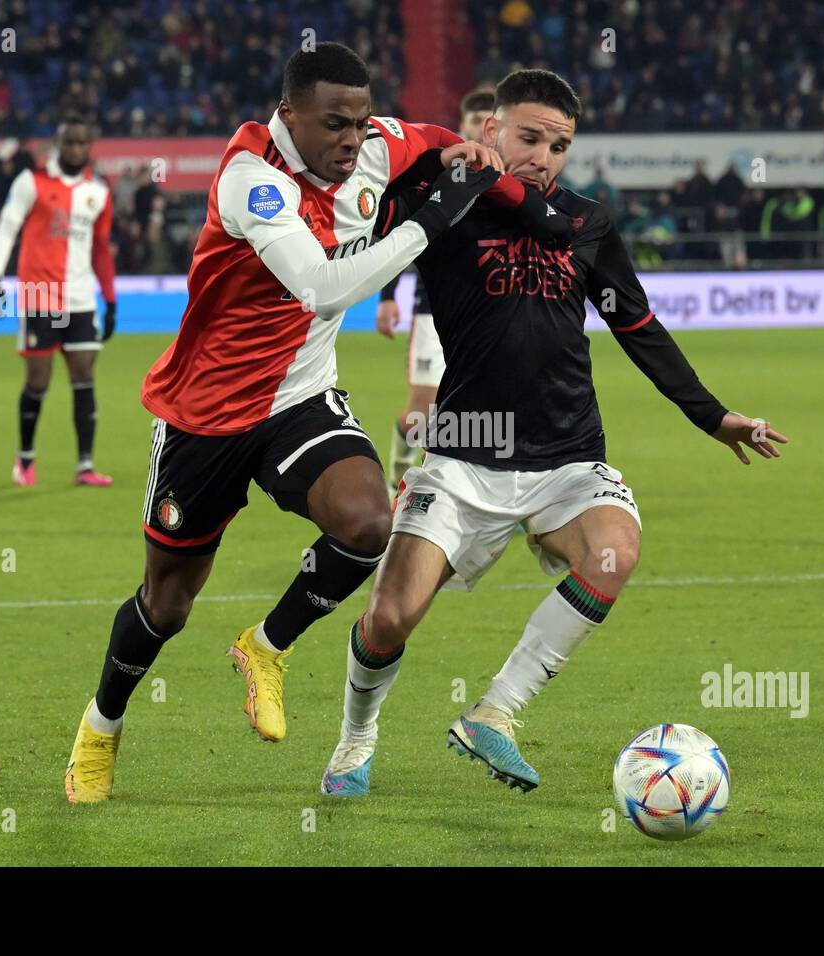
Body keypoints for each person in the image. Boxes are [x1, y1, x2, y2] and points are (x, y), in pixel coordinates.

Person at [62, 43, 571, 803]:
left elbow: (436, 142)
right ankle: (100, 729)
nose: (351, 140)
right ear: (288, 114)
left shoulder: (375, 143)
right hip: (207, 417)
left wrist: (486, 168)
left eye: (361, 122)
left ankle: (265, 647)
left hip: (300, 401)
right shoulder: (250, 180)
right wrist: (432, 219)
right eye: (334, 124)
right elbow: (324, 289)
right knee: (166, 604)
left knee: (371, 522)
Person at [318, 69, 787, 797]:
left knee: (613, 552)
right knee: (390, 617)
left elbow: (637, 323)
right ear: (490, 131)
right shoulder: (448, 206)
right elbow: (365, 225)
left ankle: (495, 714)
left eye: (559, 144)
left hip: (566, 453)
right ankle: (356, 738)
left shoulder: (587, 221)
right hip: (466, 452)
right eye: (530, 137)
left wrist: (712, 414)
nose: (543, 156)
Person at [0, 114, 117, 488]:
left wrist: (110, 299)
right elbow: (8, 226)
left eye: (82, 142)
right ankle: (26, 458)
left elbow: (101, 250)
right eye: (69, 141)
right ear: (59, 143)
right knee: (38, 380)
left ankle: (85, 466)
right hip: (39, 295)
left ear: (90, 146)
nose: (76, 148)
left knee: (84, 376)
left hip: (80, 298)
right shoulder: (31, 182)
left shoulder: (99, 192)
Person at [378, 88, 495, 488]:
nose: (480, 128)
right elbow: (403, 233)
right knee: (423, 411)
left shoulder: (507, 178)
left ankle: (481, 488)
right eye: (473, 120)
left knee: (485, 407)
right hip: (434, 309)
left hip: (489, 309)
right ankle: (397, 475)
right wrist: (389, 297)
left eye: (488, 120)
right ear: (461, 126)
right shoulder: (444, 174)